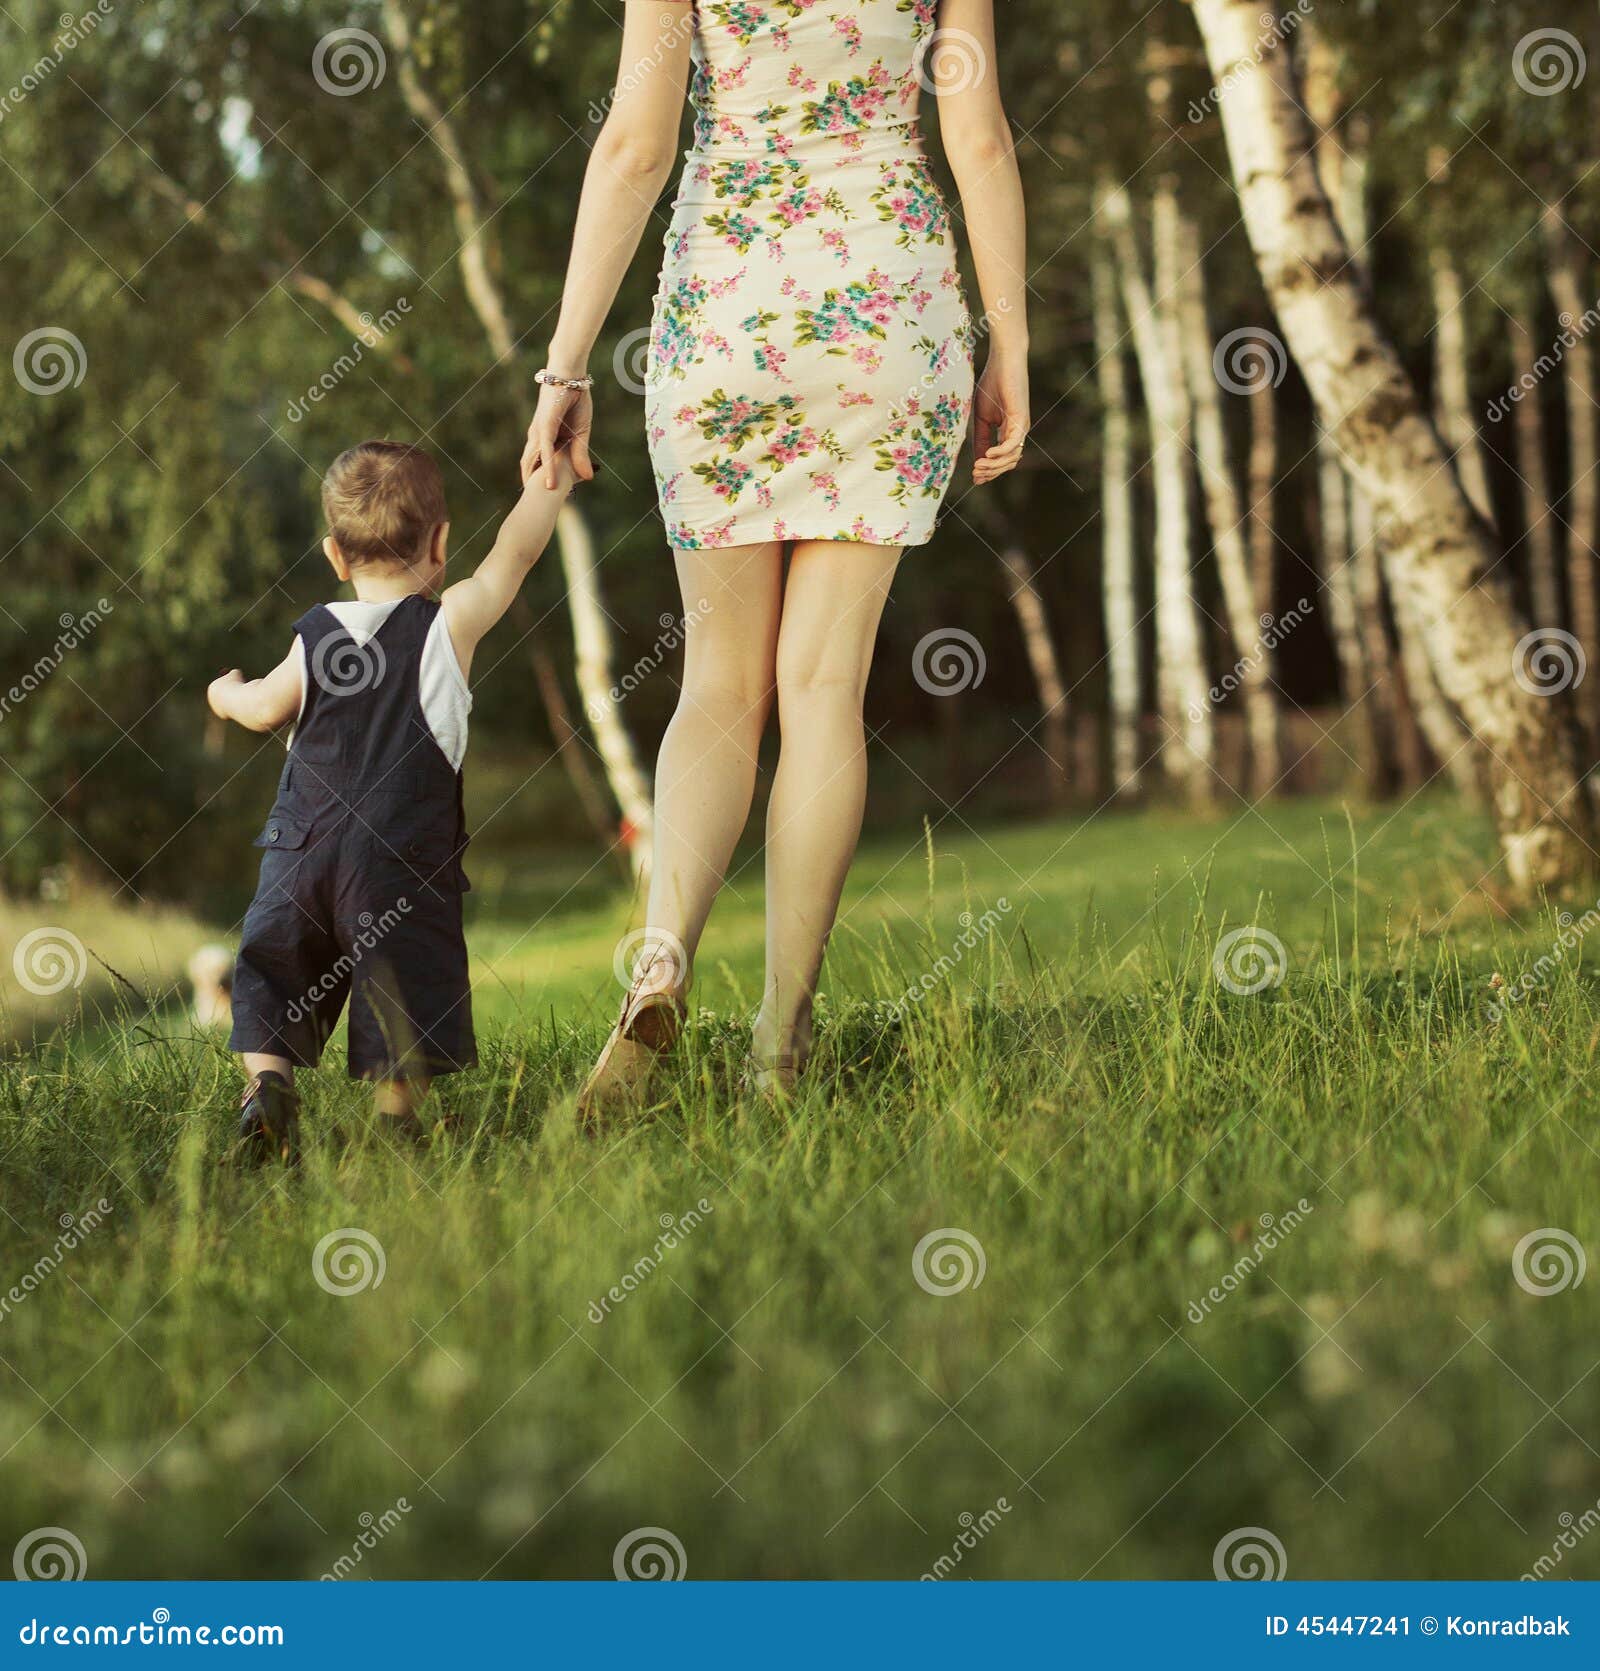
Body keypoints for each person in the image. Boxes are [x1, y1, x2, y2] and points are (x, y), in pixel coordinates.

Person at [524, 0, 1029, 1113]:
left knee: (717, 688)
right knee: (820, 690)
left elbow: (635, 146)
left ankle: (660, 964)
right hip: (890, 319)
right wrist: (1011, 342)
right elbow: (980, 137)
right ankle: (782, 1034)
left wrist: (565, 368)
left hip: (727, 320)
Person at [207, 440, 576, 1162]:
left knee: (274, 970)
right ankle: (397, 1122)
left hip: (301, 849)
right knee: (400, 979)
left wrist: (224, 694)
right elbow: (515, 553)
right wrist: (550, 482)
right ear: (440, 543)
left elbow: (262, 708)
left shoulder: (316, 635)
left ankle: (268, 1090)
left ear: (334, 556)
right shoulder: (447, 624)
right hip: (397, 856)